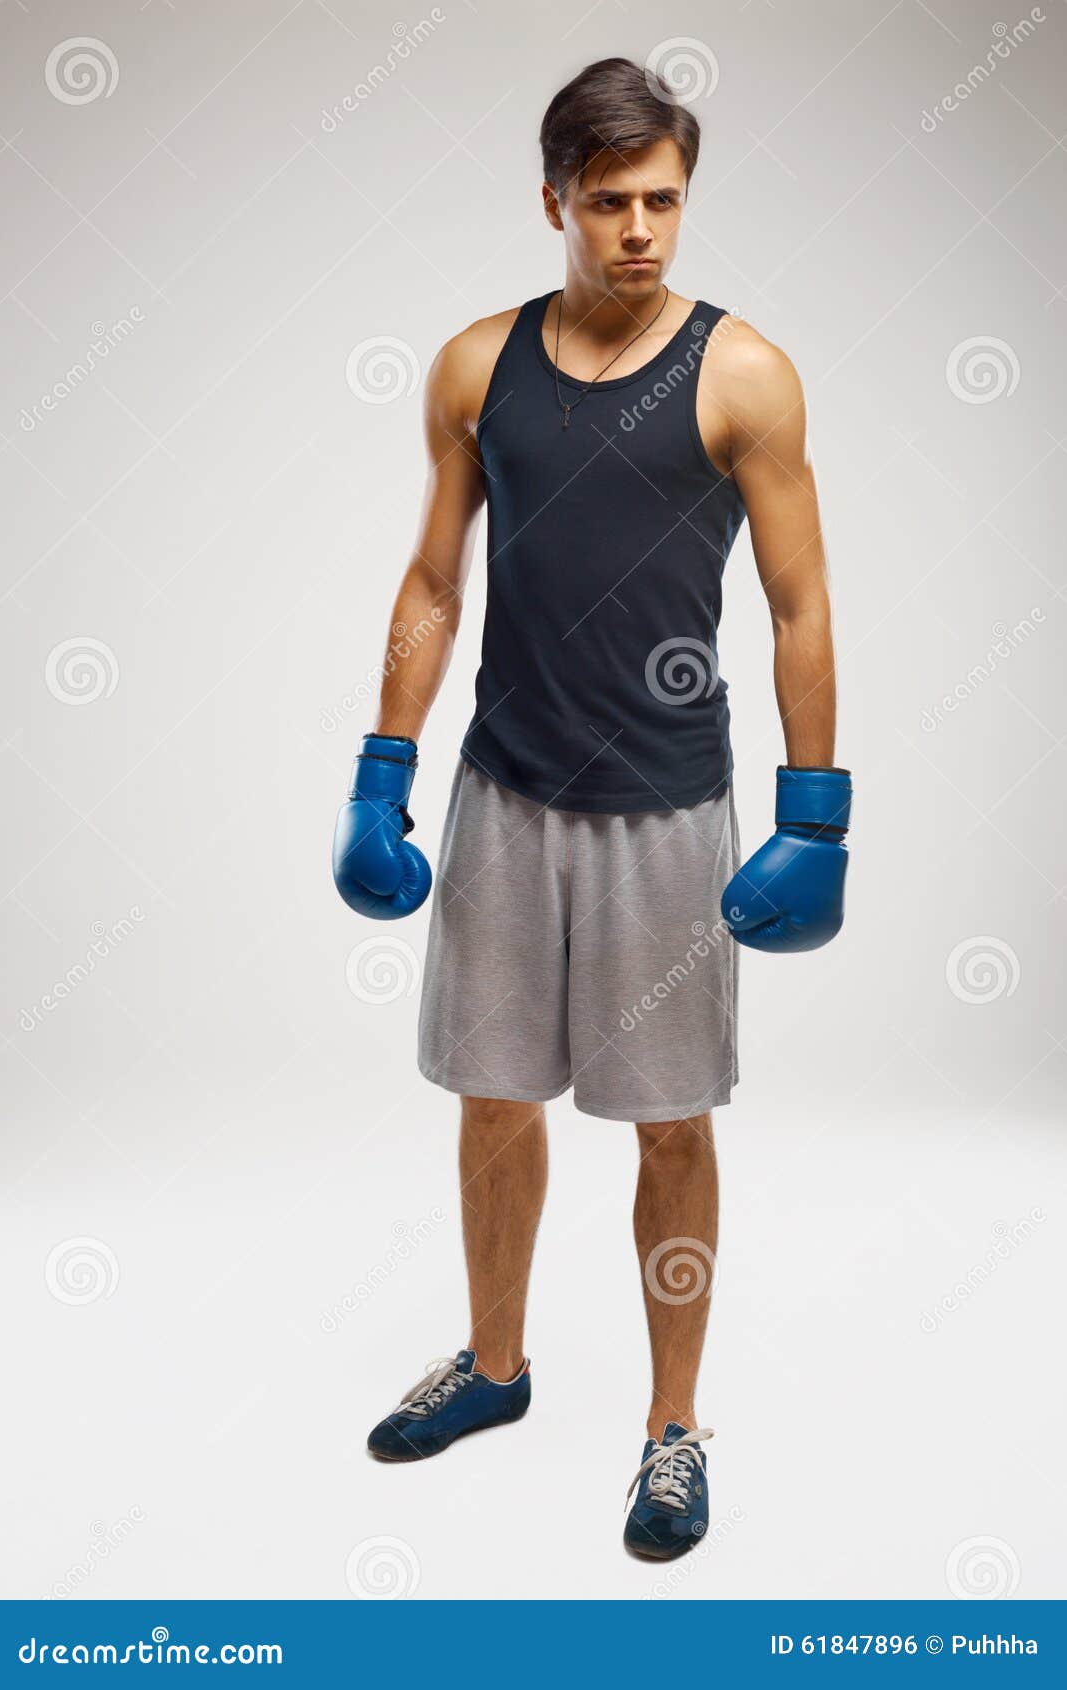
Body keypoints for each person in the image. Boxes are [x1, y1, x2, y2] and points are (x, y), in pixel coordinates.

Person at [333, 56, 852, 1560]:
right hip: (506, 791)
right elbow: (434, 581)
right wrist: (382, 769)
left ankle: (671, 1430)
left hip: (665, 814)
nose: (641, 231)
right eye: (612, 201)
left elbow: (801, 604)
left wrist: (816, 814)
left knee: (670, 1126)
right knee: (495, 1104)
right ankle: (498, 1369)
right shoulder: (476, 367)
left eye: (666, 201)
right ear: (553, 196)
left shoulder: (745, 373)